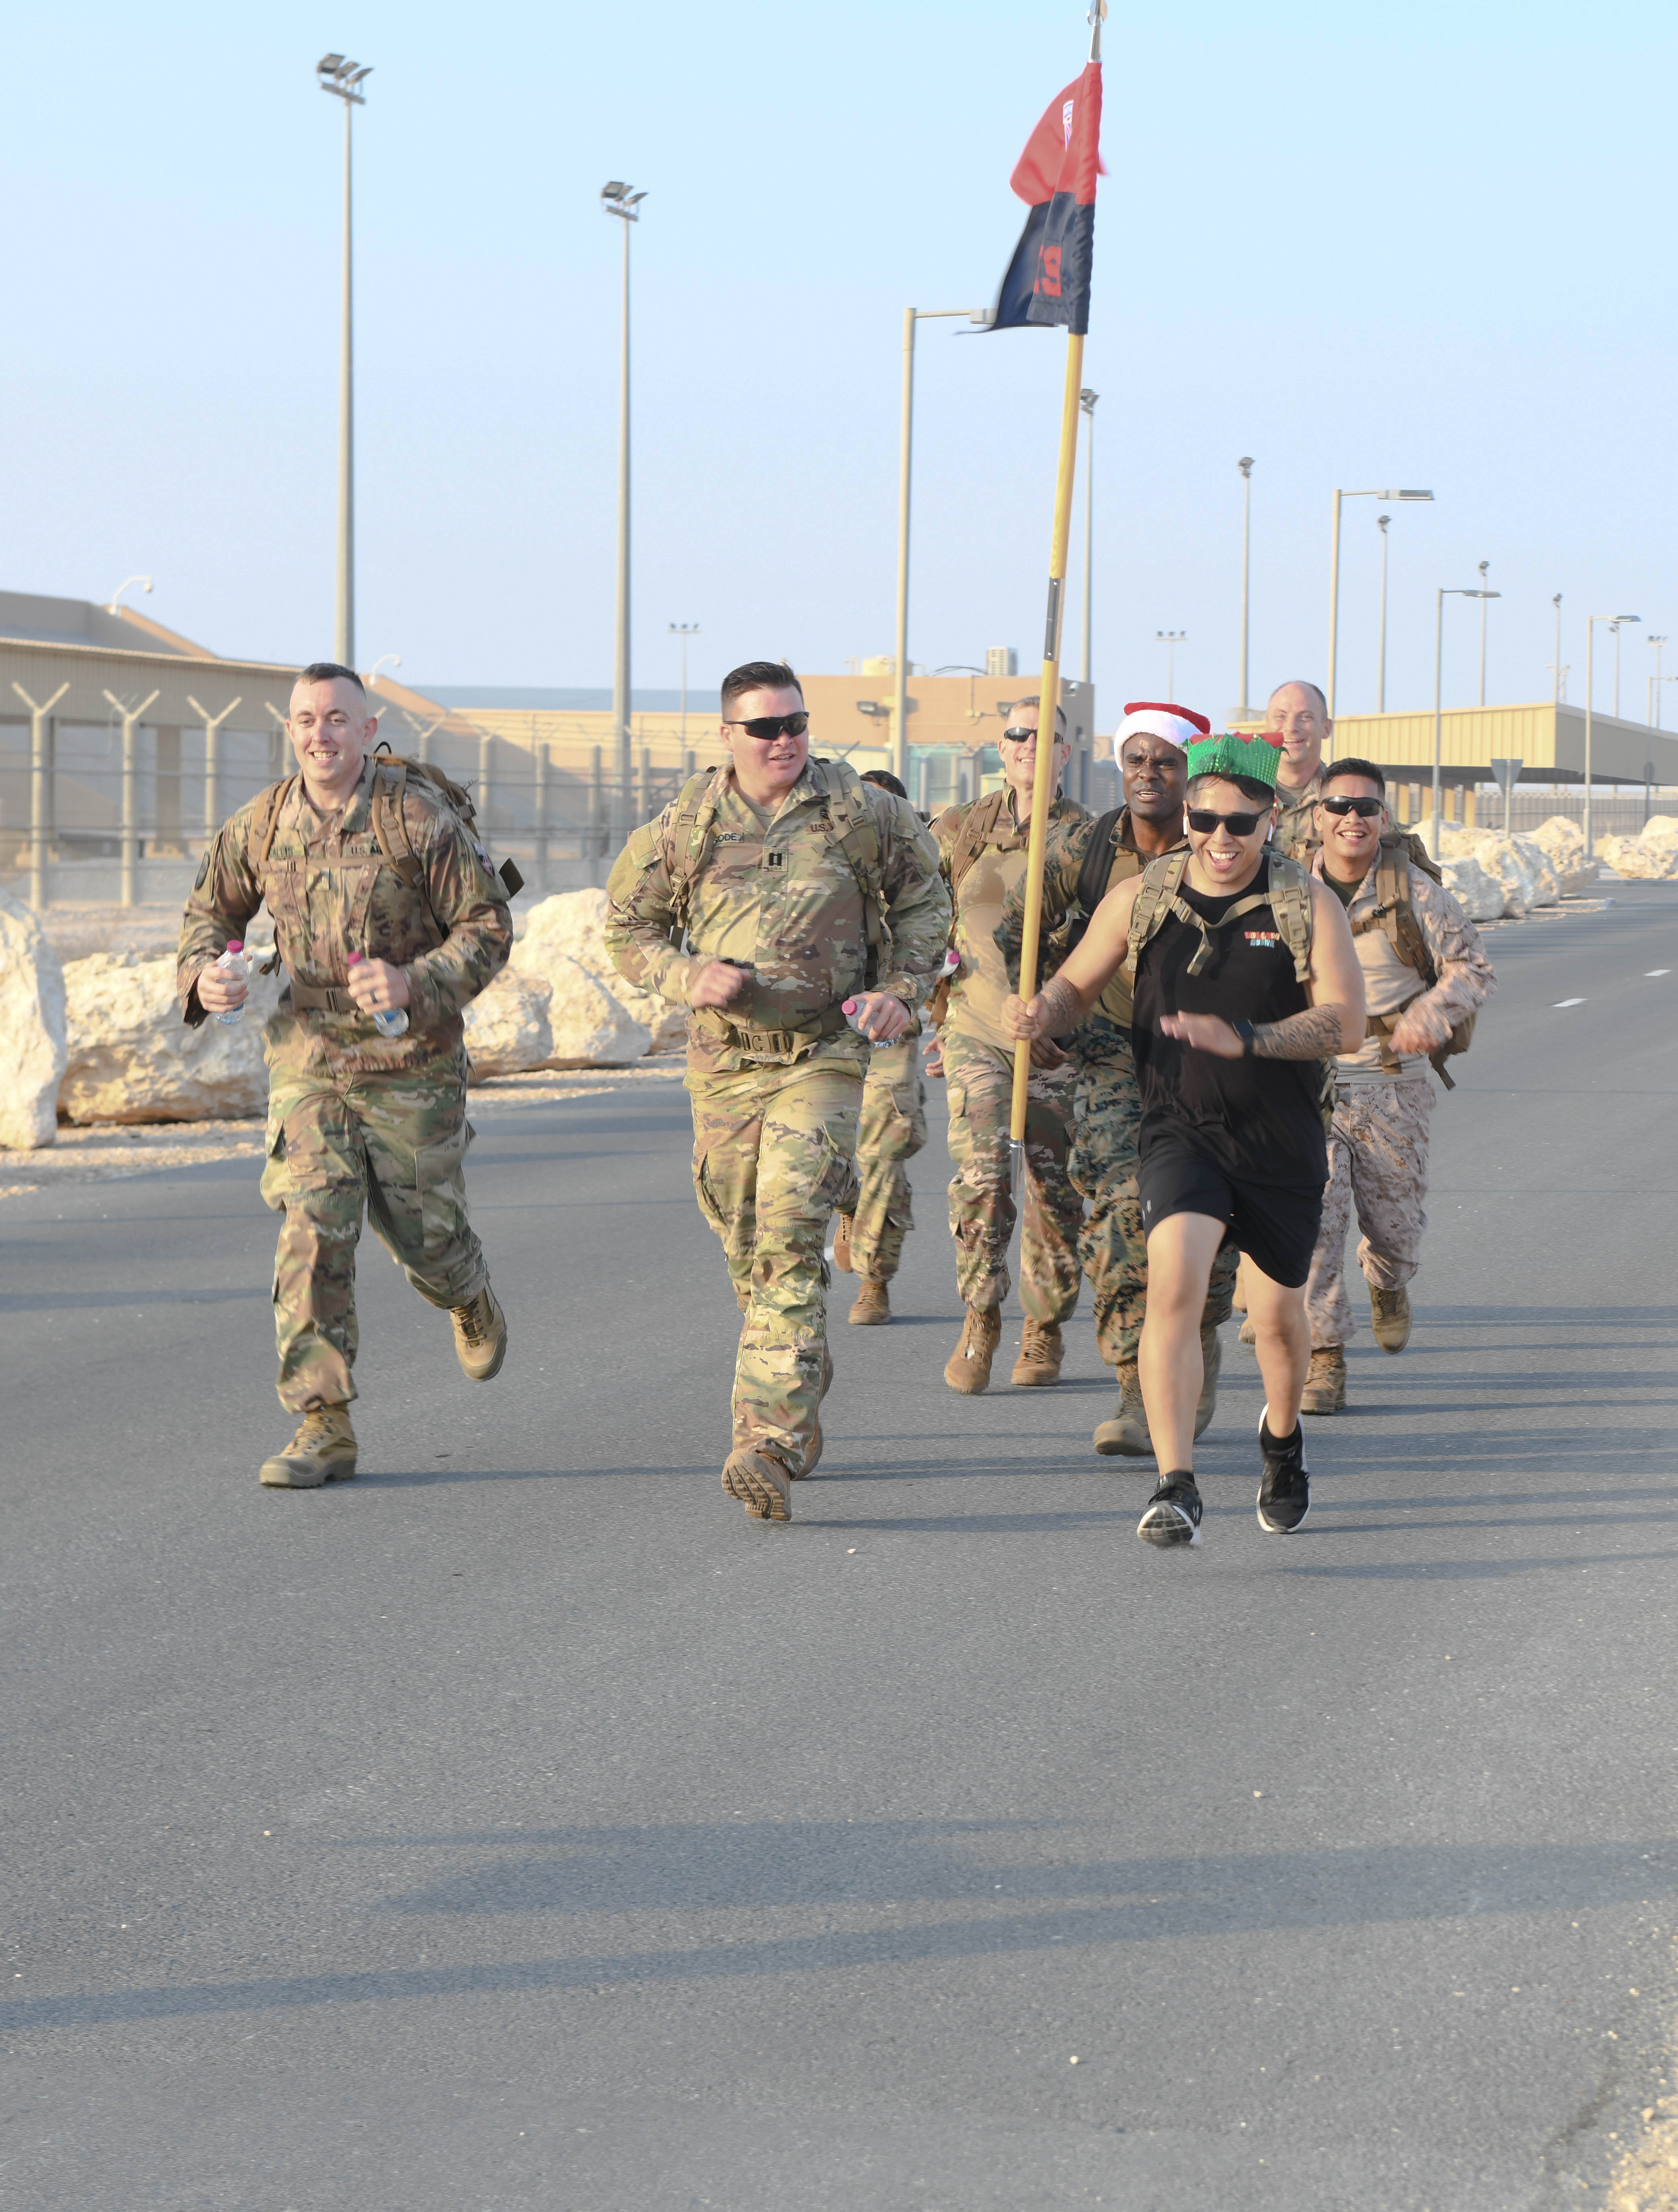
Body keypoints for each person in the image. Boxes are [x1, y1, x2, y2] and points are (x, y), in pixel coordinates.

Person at [604, 661, 949, 1522]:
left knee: (791, 1235)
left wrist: (900, 992)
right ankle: (796, 1363)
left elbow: (926, 902)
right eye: (765, 728)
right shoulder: (686, 823)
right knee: (745, 1239)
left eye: (796, 722)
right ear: (728, 736)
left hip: (825, 1053)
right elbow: (626, 926)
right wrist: (684, 974)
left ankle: (769, 1440)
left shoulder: (860, 811)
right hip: (724, 1063)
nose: (786, 739)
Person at [1004, 731, 1366, 1547]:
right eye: (1204, 821)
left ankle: (1281, 1440)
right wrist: (1041, 1013)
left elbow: (1346, 1022)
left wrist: (1248, 1036)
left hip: (1280, 1139)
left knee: (1274, 1319)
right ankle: (1176, 1483)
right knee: (1172, 1283)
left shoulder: (1306, 903)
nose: (1220, 840)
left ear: (1274, 817)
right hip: (1178, 1129)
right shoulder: (1146, 895)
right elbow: (1077, 983)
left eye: (1241, 823)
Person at [178, 662, 514, 1489]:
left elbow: (488, 925)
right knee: (312, 1226)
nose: (320, 734)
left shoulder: (415, 818)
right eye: (304, 720)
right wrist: (203, 977)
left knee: (424, 1235)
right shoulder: (261, 824)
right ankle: (321, 1422)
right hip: (311, 1057)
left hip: (412, 1061)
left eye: (337, 719)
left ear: (367, 732)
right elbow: (208, 917)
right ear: (289, 731)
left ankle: (465, 1290)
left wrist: (416, 981)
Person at [997, 702, 1239, 1454]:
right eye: (1135, 760)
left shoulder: (1226, 844)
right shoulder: (1085, 846)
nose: (1147, 775)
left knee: (1208, 1227)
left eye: (1164, 762)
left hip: (1218, 1064)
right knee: (1121, 1208)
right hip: (1112, 1053)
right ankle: (1139, 1385)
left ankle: (1195, 1337)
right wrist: (1035, 1007)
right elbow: (1015, 927)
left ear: (1188, 772)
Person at [1300, 757, 1496, 1412]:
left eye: (1365, 807)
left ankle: (1388, 1282)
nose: (1352, 818)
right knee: (1316, 1225)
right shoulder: (1287, 887)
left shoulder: (1413, 889)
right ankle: (1324, 1358)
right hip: (1311, 1085)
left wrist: (1428, 1014)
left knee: (1394, 1230)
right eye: (1339, 806)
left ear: (1382, 817)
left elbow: (1471, 967)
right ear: (1316, 816)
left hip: (1392, 1083)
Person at [928, 698, 1090, 1394]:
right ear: (1001, 748)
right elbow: (916, 916)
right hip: (977, 1028)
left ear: (1067, 748)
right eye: (1017, 734)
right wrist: (931, 1006)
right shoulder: (961, 829)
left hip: (1058, 1038)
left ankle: (1043, 1324)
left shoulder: (1090, 836)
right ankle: (981, 1312)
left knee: (1055, 1189)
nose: (1030, 744)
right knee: (985, 1175)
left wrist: (1065, 1020)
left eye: (1045, 734)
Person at [831, 770, 929, 1324]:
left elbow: (949, 945)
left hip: (892, 1034)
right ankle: (849, 1203)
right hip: (823, 1033)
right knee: (825, 1150)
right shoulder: (826, 861)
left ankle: (875, 1278)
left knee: (886, 1154)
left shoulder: (920, 869)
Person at [1266, 680, 1333, 858]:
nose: (1291, 727)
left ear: (1326, 728)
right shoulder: (1241, 794)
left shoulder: (1346, 800)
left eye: (1305, 717)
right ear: (1267, 725)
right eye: (1281, 716)